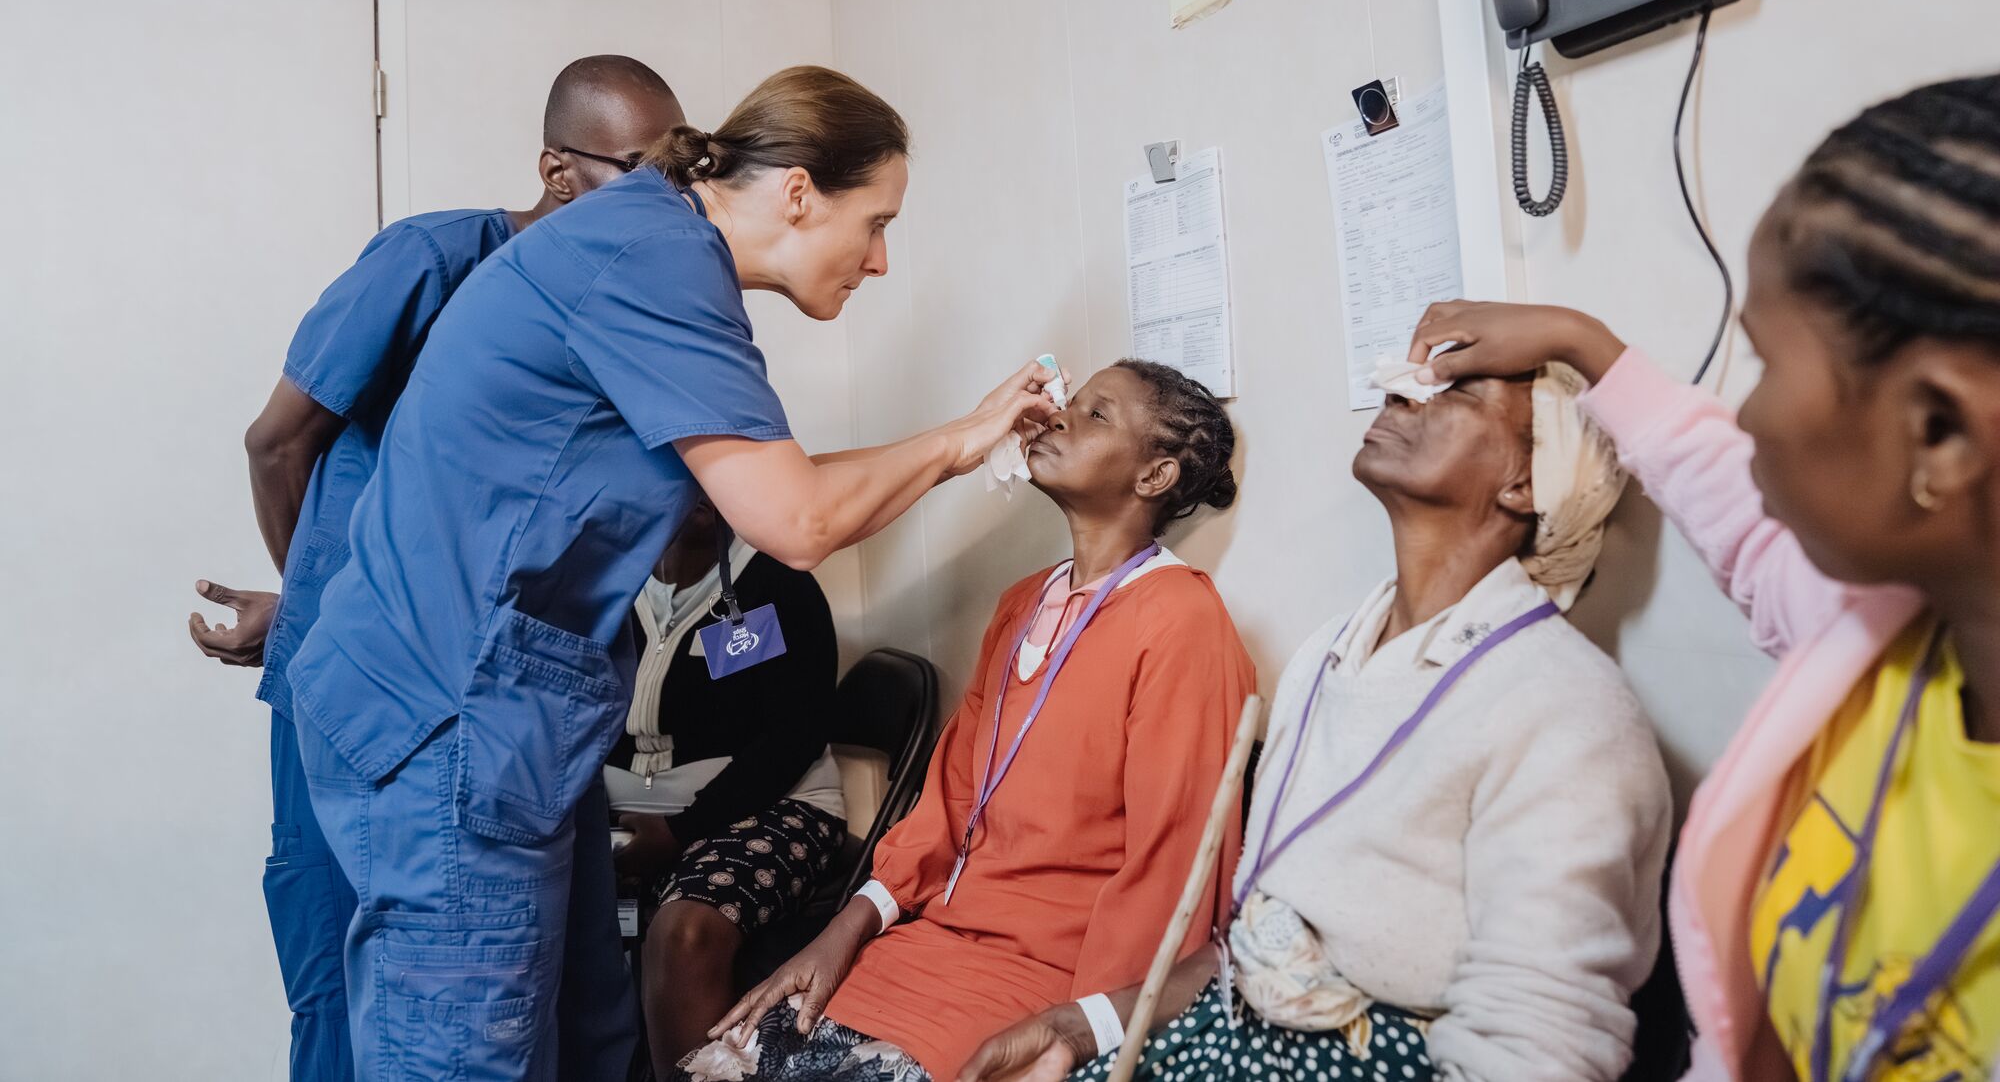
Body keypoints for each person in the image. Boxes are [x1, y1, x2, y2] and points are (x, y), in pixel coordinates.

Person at [283, 64, 1064, 1082]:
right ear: (795, 191)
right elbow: (798, 519)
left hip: (481, 712)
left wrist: (957, 437)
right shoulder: (656, 262)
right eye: (873, 221)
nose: (877, 260)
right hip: (453, 714)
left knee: (582, 1040)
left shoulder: (646, 243)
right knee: (462, 1060)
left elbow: (770, 487)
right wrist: (959, 444)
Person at [1391, 74, 2000, 1081]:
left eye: (1760, 363)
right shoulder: (1885, 647)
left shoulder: (1560, 706)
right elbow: (1752, 528)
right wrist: (1584, 344)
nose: (1745, 417)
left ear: (1935, 431)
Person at [185, 54, 686, 1082]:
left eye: (673, 175)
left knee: (576, 992)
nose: (659, 202)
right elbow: (278, 442)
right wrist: (328, 617)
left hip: (516, 707)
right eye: (634, 170)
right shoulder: (433, 259)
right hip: (375, 699)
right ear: (555, 168)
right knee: (348, 995)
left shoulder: (614, 304)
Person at [960, 360, 1672, 1082]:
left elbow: (1537, 1054)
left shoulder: (1570, 710)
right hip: (1230, 1033)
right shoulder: (1329, 655)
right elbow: (1252, 946)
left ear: (1523, 482)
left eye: (1458, 393)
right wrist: (1082, 1028)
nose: (1399, 390)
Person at [688, 360, 1256, 1082]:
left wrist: (1084, 1038)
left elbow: (1171, 873)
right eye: (1068, 403)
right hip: (932, 946)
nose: (1056, 417)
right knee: (727, 1066)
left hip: (1053, 979)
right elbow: (946, 807)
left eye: (1096, 415)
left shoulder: (1181, 621)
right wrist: (838, 936)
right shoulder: (1024, 604)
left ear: (1154, 476)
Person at [610, 496, 848, 1076]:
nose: (698, 489)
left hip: (775, 803)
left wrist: (679, 831)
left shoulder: (776, 585)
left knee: (684, 932)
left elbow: (792, 738)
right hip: (621, 808)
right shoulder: (606, 586)